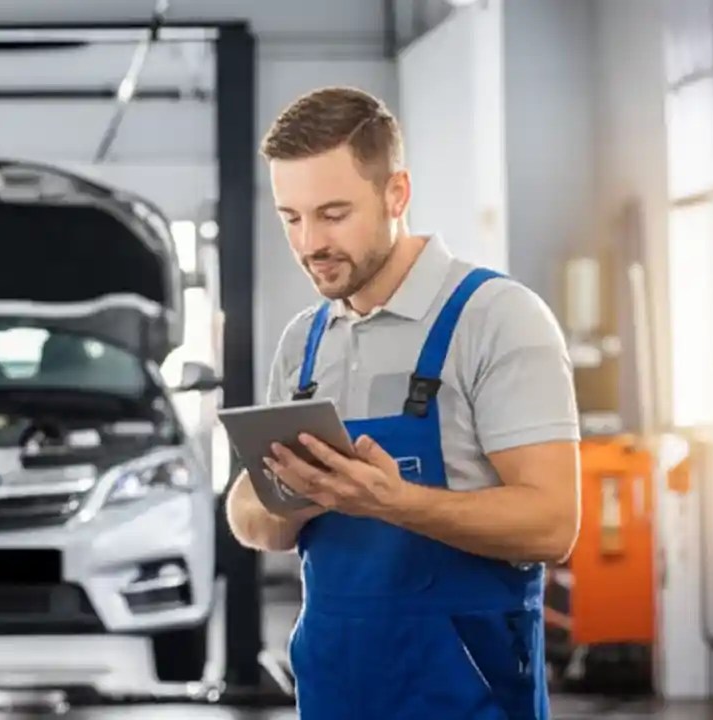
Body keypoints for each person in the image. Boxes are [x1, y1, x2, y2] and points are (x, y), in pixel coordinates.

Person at [225, 86, 581, 719]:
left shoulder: (495, 318)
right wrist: (299, 497)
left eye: (334, 214)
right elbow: (254, 518)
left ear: (396, 194)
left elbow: (553, 525)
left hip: (467, 691)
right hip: (336, 686)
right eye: (291, 217)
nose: (310, 243)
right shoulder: (306, 343)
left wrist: (394, 502)